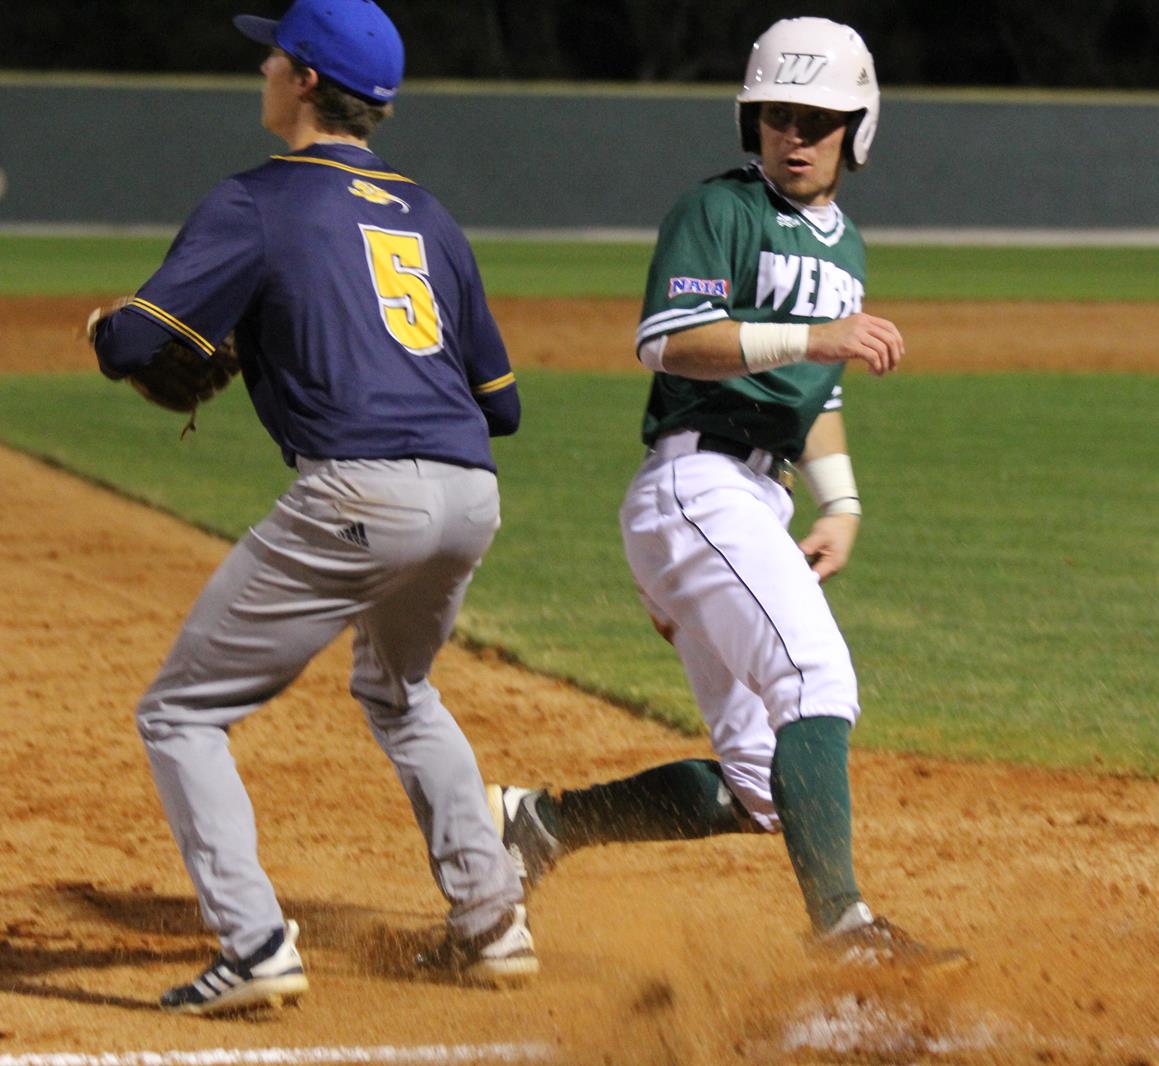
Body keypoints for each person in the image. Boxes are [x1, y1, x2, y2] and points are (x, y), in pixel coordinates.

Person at [488, 17, 966, 968]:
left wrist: (844, 502)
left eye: (818, 119)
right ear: (752, 122)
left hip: (754, 501)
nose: (795, 135)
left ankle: (540, 826)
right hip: (694, 485)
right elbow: (669, 340)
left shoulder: (848, 248)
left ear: (856, 130)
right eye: (778, 115)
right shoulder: (717, 210)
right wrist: (816, 336)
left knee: (758, 784)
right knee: (816, 680)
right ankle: (844, 929)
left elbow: (811, 396)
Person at [87, 0, 534, 1015]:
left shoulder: (258, 200)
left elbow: (131, 345)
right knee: (402, 691)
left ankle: (252, 945)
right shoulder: (431, 214)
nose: (263, 71)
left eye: (271, 57)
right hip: (469, 494)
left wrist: (105, 325)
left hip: (358, 492)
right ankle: (492, 920)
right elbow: (500, 406)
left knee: (180, 712)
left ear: (300, 80)